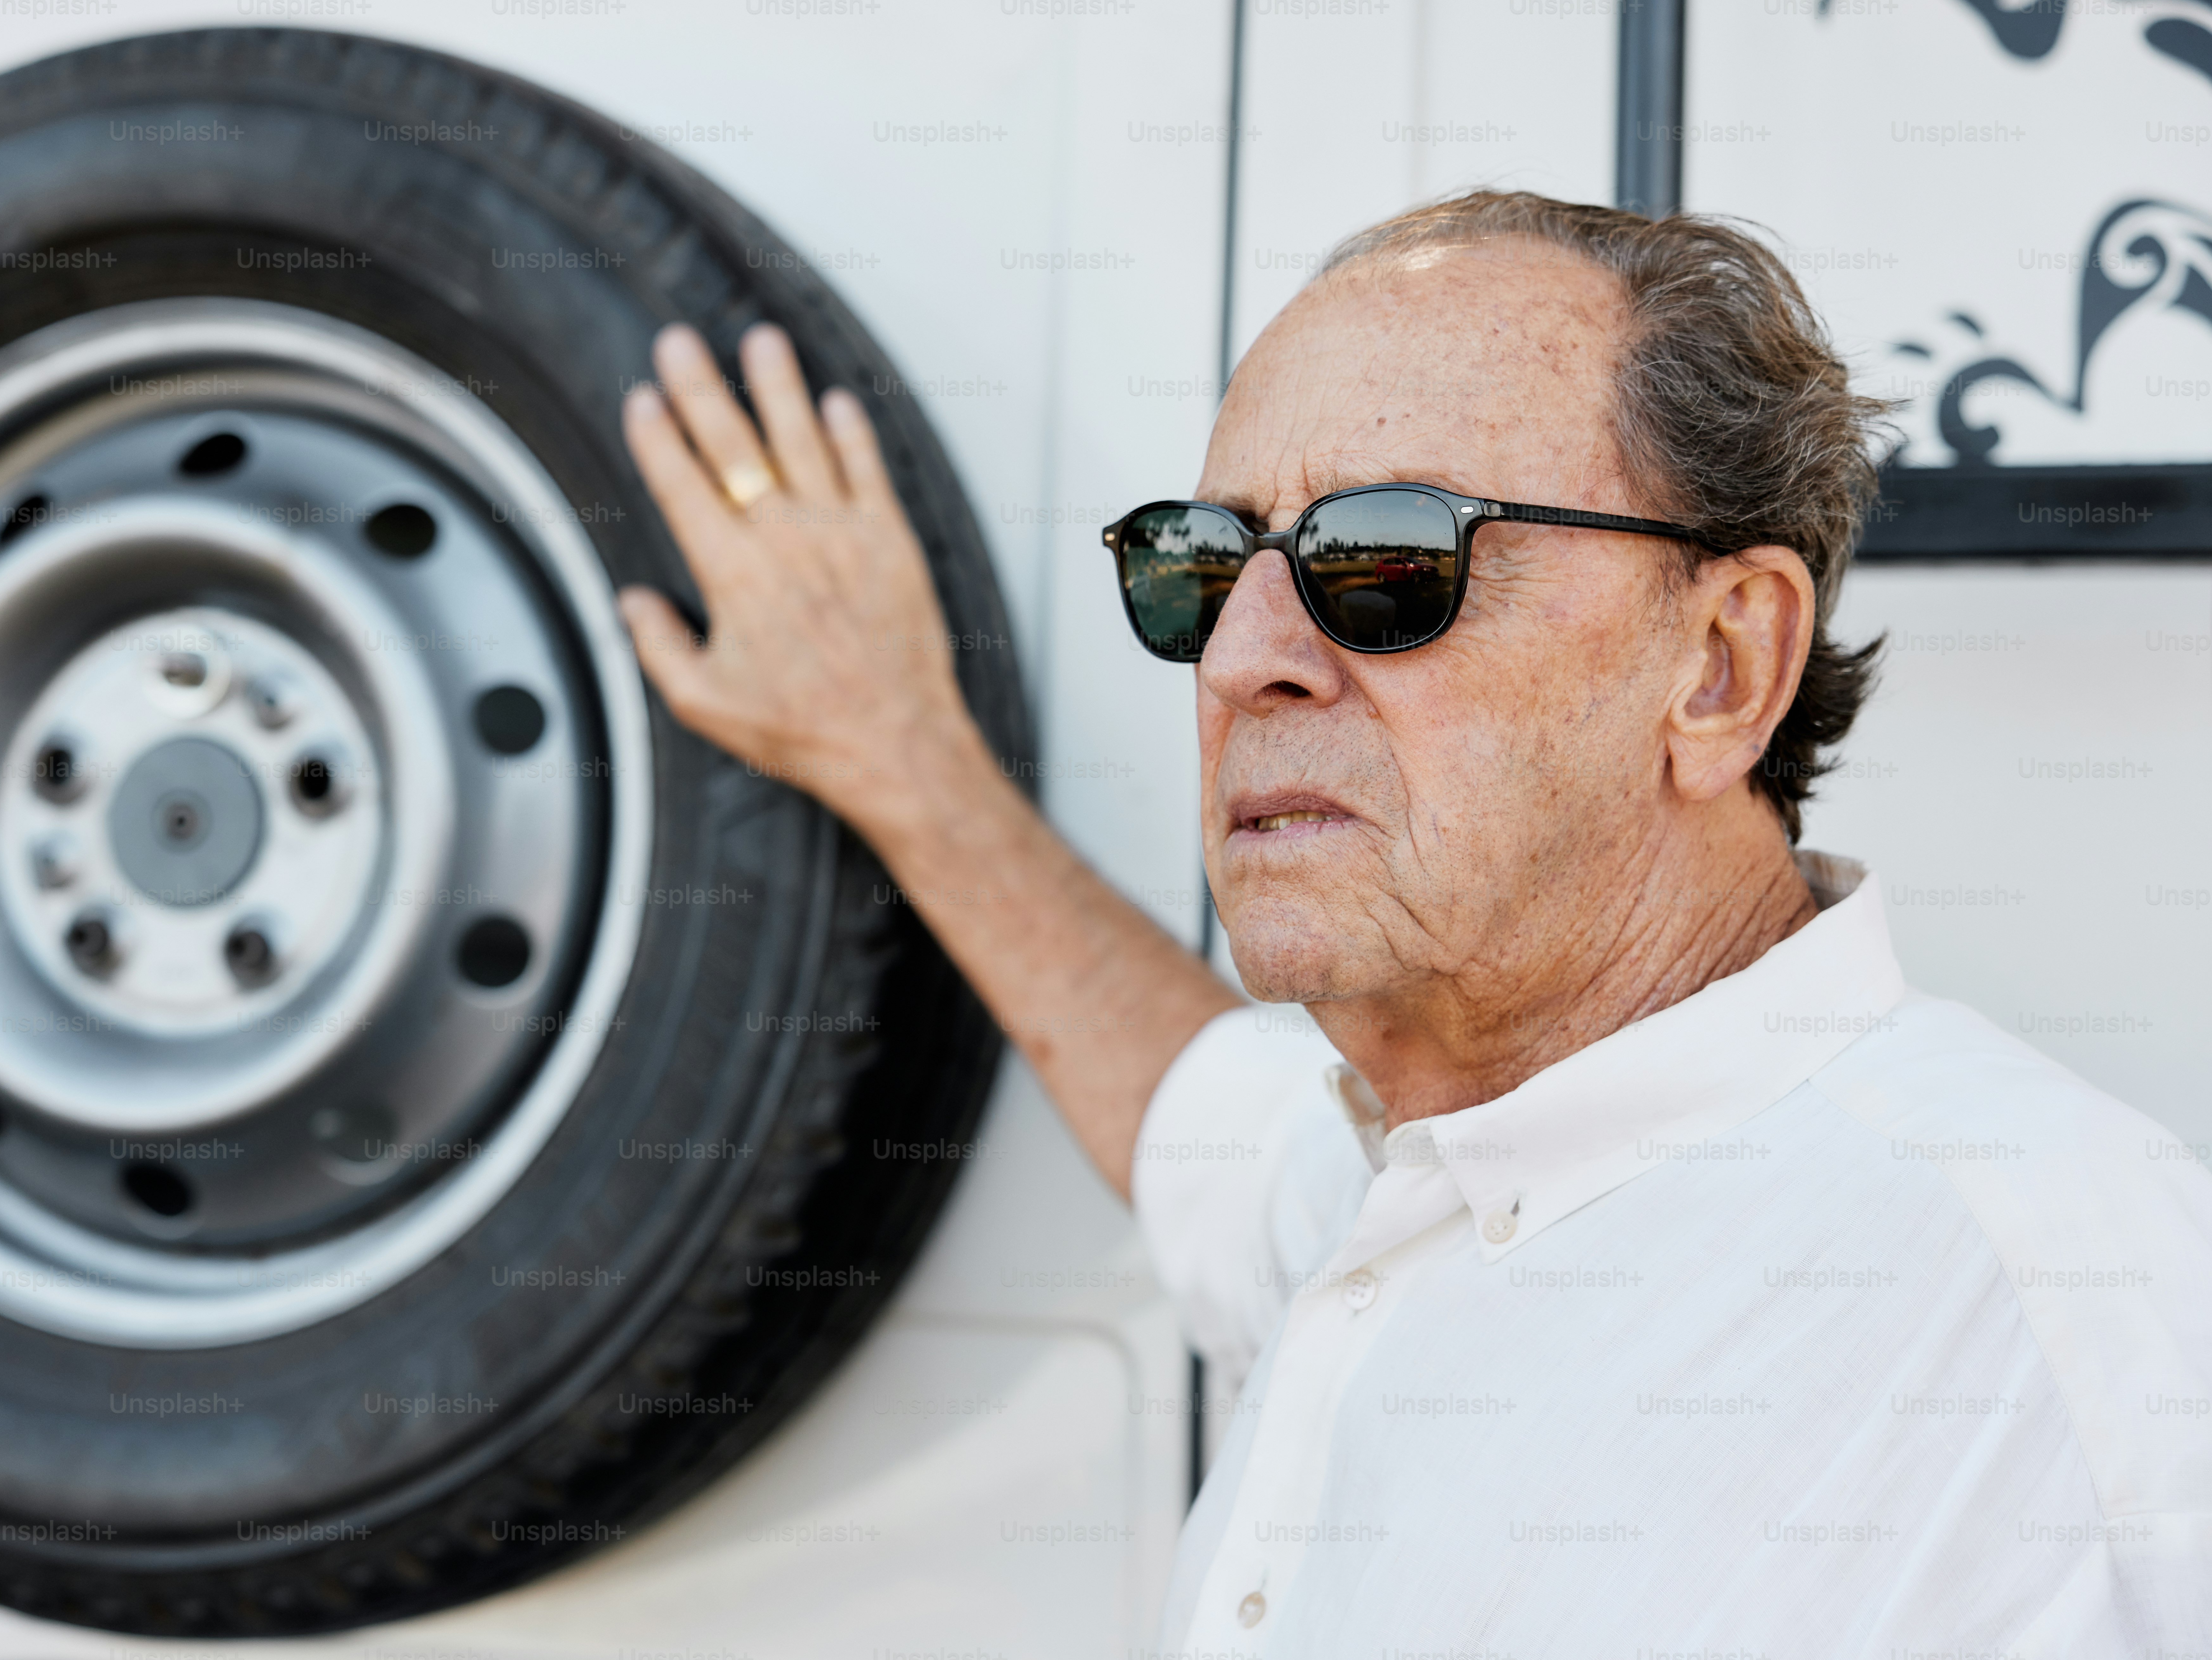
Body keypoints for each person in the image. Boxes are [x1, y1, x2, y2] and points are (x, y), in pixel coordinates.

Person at [614, 191, 2211, 1654]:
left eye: (1384, 559)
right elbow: (1188, 1108)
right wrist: (900, 753)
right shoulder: (1405, 1171)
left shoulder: (2067, 1296)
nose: (1241, 658)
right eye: (1203, 563)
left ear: (1720, 662)